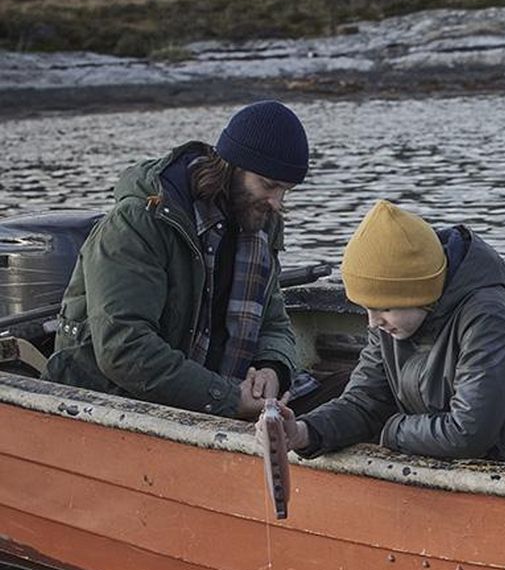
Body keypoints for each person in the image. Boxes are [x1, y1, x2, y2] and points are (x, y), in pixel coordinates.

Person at [265, 199, 505, 472]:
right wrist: (304, 432)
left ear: (418, 293)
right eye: (366, 308)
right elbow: (363, 402)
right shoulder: (392, 324)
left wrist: (391, 429)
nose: (373, 322)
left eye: (383, 308)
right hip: (466, 478)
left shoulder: (488, 318)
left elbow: (467, 433)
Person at [43, 100, 308, 418]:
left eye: (286, 190)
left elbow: (274, 322)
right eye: (269, 186)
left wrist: (271, 368)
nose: (277, 203)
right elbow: (124, 348)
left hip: (213, 399)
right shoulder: (139, 223)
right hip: (107, 402)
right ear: (230, 167)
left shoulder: (260, 223)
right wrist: (227, 399)